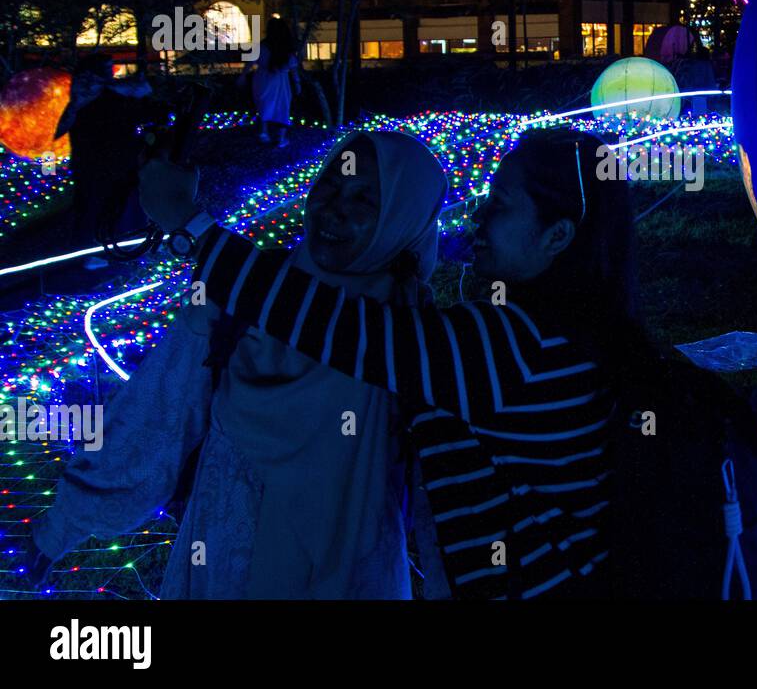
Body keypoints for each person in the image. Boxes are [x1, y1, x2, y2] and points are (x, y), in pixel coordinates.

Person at [136, 127, 646, 598]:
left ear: (557, 236)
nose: (477, 217)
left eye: (500, 204)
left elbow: (338, 330)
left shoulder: (514, 347)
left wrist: (189, 223)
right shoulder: (568, 332)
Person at [26, 130, 449, 599]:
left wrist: (190, 222)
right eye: (330, 185)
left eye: (365, 200)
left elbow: (449, 503)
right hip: (223, 565)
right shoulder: (237, 298)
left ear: (404, 217)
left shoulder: (413, 338)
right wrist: (61, 525)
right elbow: (158, 413)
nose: (335, 208)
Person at [54, 53, 161, 269]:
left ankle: (118, 250)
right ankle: (96, 253)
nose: (109, 72)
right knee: (97, 207)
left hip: (113, 162)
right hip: (100, 163)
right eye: (106, 68)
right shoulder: (96, 94)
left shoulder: (97, 93)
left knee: (116, 205)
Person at [242, 18, 300, 148]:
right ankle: (281, 138)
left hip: (262, 80)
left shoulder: (261, 46)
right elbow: (294, 68)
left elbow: (249, 63)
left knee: (264, 106)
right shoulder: (286, 48)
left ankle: (264, 133)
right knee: (282, 108)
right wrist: (297, 83)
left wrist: (242, 76)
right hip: (281, 82)